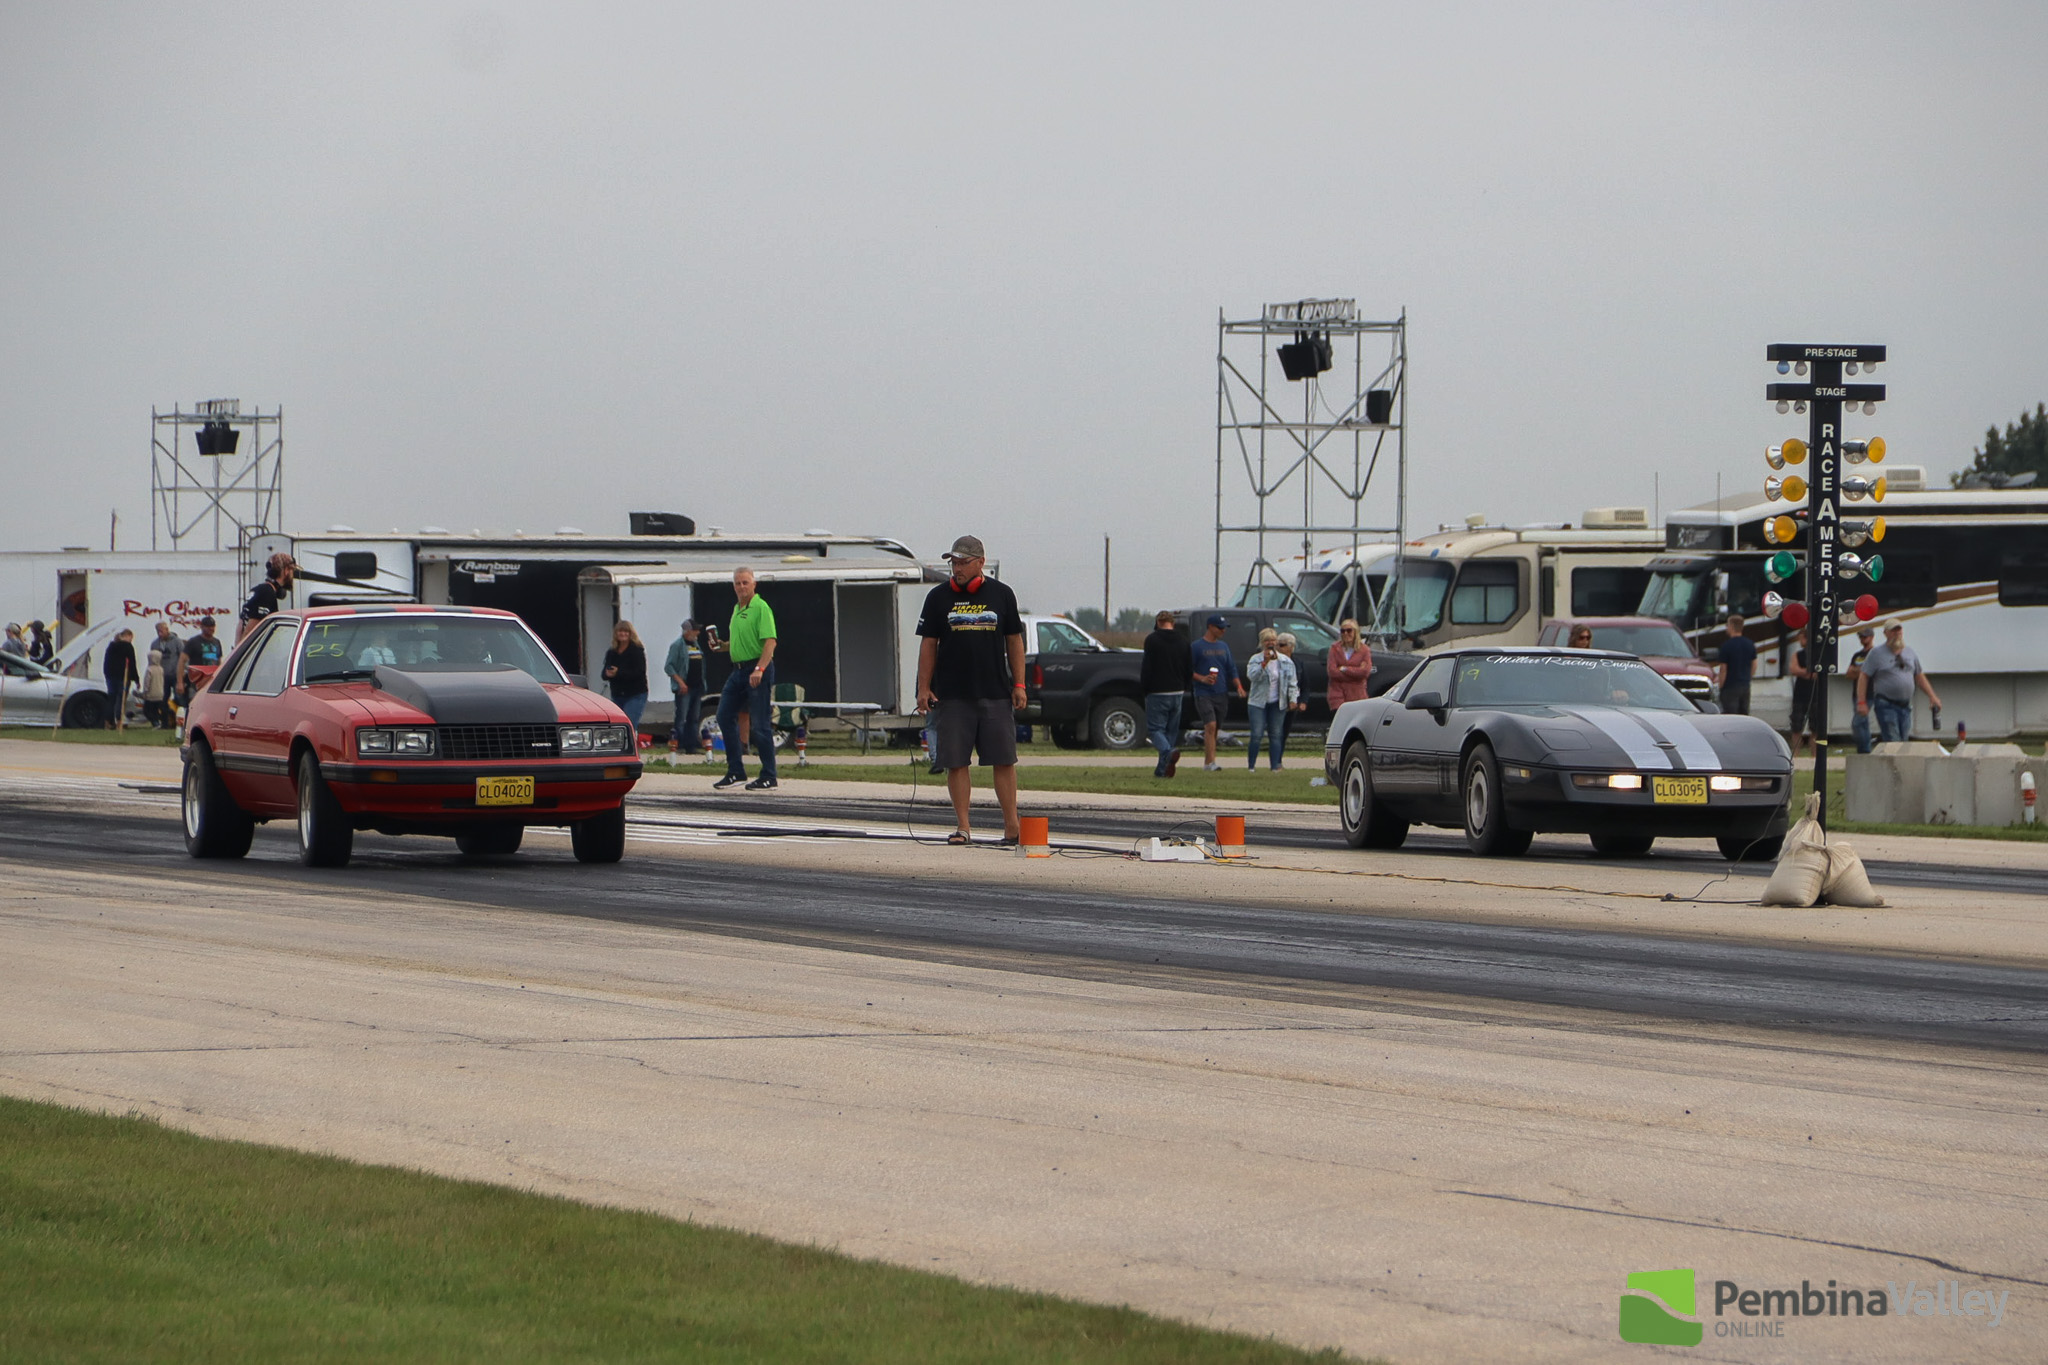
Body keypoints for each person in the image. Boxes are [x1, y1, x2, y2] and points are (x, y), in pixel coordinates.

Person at [915, 534, 1026, 844]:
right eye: (953, 563)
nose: (957, 569)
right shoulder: (938, 597)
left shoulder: (1002, 595)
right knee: (956, 761)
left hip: (994, 692)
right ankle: (963, 827)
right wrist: (924, 687)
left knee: (1003, 760)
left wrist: (1019, 683)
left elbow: (1014, 640)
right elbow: (928, 644)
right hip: (952, 695)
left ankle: (1011, 827)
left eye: (963, 563)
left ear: (980, 563)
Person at [710, 567, 779, 790]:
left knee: (759, 724)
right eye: (738, 583)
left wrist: (759, 668)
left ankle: (769, 775)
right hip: (737, 670)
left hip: (756, 667)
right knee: (724, 715)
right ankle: (736, 771)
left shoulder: (761, 607)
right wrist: (723, 646)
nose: (741, 587)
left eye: (745, 583)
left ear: (754, 584)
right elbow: (741, 642)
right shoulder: (737, 609)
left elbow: (770, 641)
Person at [1856, 617, 1942, 745]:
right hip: (1885, 704)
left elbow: (1919, 676)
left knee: (1903, 740)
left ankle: (1898, 764)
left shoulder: (1910, 652)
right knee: (1893, 740)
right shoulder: (1876, 653)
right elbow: (1864, 676)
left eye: (1899, 630)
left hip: (1905, 705)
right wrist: (1861, 701)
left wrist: (1932, 696)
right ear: (1886, 633)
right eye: (1893, 631)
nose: (1897, 633)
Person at [1139, 609, 1193, 778]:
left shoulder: (1152, 640)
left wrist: (1145, 687)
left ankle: (1167, 752)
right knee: (1171, 731)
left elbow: (1147, 666)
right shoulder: (1183, 641)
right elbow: (1188, 667)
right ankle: (1162, 769)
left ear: (1157, 623)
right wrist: (1186, 685)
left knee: (1155, 729)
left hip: (1157, 690)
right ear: (1173, 623)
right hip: (1177, 691)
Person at [1189, 614, 1244, 772]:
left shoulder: (1223, 647)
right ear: (1210, 627)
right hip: (1203, 692)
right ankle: (1209, 763)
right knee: (1210, 725)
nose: (1223, 631)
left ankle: (1211, 760)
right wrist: (1202, 679)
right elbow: (1188, 670)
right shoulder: (1197, 647)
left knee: (1216, 728)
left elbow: (1231, 668)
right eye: (1220, 628)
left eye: (1224, 628)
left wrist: (1239, 686)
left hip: (1221, 692)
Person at [1243, 628, 1296, 772]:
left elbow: (1292, 682)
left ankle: (1275, 767)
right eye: (1267, 640)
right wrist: (1264, 663)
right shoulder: (1255, 659)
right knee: (1257, 734)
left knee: (1276, 734)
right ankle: (1251, 767)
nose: (1270, 643)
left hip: (1277, 702)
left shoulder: (1285, 661)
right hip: (1258, 702)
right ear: (1262, 643)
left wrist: (1292, 699)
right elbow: (1252, 677)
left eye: (1273, 640)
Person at [664, 619, 706, 756]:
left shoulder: (696, 645)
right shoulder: (677, 646)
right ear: (687, 631)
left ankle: (691, 745)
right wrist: (680, 682)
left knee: (694, 718)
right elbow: (669, 666)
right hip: (684, 688)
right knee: (681, 717)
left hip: (697, 686)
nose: (698, 632)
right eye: (695, 630)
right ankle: (680, 744)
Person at [602, 620, 649, 731]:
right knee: (617, 725)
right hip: (617, 694)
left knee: (629, 724)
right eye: (620, 631)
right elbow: (604, 674)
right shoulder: (612, 652)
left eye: (625, 631)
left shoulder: (637, 650)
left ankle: (632, 746)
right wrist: (607, 673)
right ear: (616, 633)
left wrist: (618, 672)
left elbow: (640, 672)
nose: (623, 634)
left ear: (630, 633)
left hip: (635, 693)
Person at [237, 553, 296, 641]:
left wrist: (237, 649)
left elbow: (241, 625)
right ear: (286, 570)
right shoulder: (266, 592)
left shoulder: (259, 590)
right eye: (292, 571)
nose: (292, 576)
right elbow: (249, 631)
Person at [1275, 632, 1309, 760]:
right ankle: (1274, 760)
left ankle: (1278, 759)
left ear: (1291, 647)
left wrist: (1303, 701)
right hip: (1277, 702)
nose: (1279, 648)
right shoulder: (1274, 662)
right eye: (1277, 645)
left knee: (1284, 732)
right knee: (1276, 732)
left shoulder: (1298, 663)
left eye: (1282, 645)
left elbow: (1305, 686)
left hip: (1292, 704)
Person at [1844, 624, 1878, 754]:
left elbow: (1871, 673)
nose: (1862, 639)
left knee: (1858, 722)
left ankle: (1864, 750)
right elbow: (1849, 674)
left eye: (1865, 637)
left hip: (1870, 693)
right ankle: (1863, 748)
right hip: (1856, 693)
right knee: (1861, 723)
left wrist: (1859, 671)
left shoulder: (1874, 653)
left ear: (1871, 637)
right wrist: (1862, 671)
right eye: (1861, 637)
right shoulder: (1857, 655)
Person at [1715, 613, 1757, 715]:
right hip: (1745, 686)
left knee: (1731, 715)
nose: (1726, 628)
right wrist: (1747, 677)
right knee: (1744, 714)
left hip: (1730, 686)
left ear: (1731, 627)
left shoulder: (1726, 646)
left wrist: (1721, 686)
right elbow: (1754, 665)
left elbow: (1723, 669)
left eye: (1727, 625)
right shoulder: (1750, 644)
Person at [1327, 619, 1373, 709]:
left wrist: (1344, 669)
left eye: (1349, 630)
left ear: (1355, 632)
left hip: (1357, 696)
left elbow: (1365, 672)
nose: (1345, 633)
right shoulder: (1334, 648)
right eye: (1342, 631)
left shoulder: (1364, 650)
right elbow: (1332, 672)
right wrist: (1355, 673)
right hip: (1338, 696)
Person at [142, 622, 180, 728]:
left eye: (162, 631)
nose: (160, 634)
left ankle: (180, 721)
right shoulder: (155, 644)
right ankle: (165, 723)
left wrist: (183, 671)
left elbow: (183, 656)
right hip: (162, 676)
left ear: (167, 629)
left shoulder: (177, 641)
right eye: (158, 631)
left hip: (175, 674)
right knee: (163, 700)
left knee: (179, 698)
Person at [177, 615, 223, 702]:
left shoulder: (217, 642)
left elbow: (219, 661)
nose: (211, 629)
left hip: (211, 683)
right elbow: (182, 661)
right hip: (196, 683)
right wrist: (180, 682)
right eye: (208, 626)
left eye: (212, 626)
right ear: (201, 627)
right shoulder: (194, 641)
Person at [102, 628, 139, 730]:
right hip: (123, 676)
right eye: (131, 638)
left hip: (110, 676)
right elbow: (132, 663)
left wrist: (107, 674)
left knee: (111, 699)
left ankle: (108, 722)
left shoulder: (111, 646)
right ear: (127, 636)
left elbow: (106, 662)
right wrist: (136, 678)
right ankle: (119, 721)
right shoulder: (127, 646)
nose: (131, 640)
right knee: (121, 699)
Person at [1786, 626, 1815, 754]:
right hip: (1799, 694)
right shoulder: (1797, 654)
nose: (1799, 641)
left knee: (1816, 727)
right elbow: (1793, 669)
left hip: (1814, 694)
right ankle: (1796, 754)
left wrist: (1802, 671)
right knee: (1796, 726)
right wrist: (1807, 672)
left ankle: (1814, 754)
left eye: (1800, 638)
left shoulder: (1817, 654)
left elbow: (1816, 674)